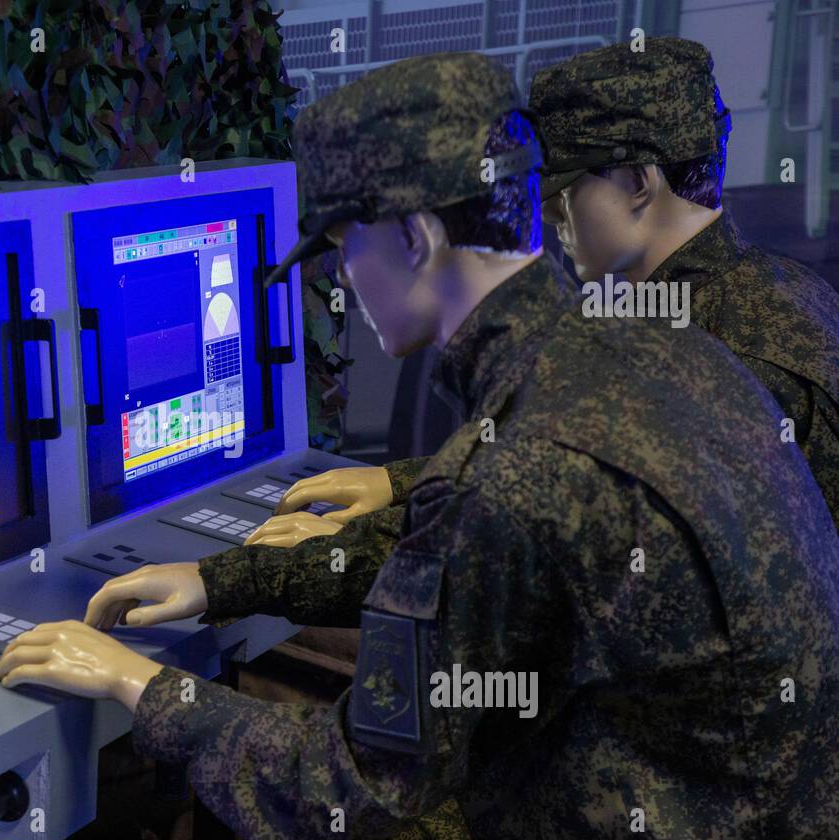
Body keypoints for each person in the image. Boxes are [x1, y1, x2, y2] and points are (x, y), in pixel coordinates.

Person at [0, 51, 839, 840]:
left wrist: (135, 683)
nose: (345, 282)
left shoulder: (521, 465)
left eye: (344, 246)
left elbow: (343, 787)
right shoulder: (639, 339)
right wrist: (225, 582)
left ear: (416, 235)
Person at [267, 36, 839, 540]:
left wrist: (326, 549)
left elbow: (554, 518)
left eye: (564, 186)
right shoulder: (759, 295)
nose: (546, 210)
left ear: (639, 182)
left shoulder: (735, 355)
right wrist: (400, 482)